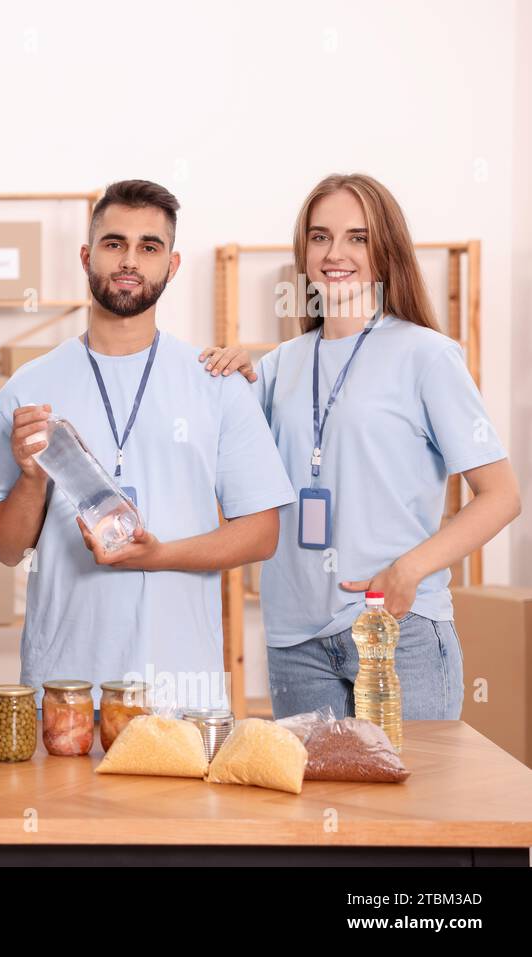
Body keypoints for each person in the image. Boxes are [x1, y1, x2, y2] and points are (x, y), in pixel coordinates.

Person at [199, 173, 520, 719]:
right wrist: (228, 379)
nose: (335, 253)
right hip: (296, 643)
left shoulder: (427, 356)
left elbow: (502, 496)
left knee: (410, 781)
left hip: (396, 627)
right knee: (315, 781)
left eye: (358, 237)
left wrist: (408, 571)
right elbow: (225, 481)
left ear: (385, 249)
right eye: (320, 237)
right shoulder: (278, 365)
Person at [0, 180, 295, 711]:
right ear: (87, 256)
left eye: (149, 247)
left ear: (172, 266)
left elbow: (262, 534)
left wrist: (159, 556)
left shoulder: (216, 383)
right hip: (65, 690)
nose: (130, 260)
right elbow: (7, 549)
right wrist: (32, 479)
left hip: (182, 693)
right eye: (114, 243)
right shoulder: (27, 389)